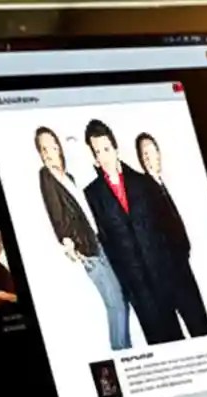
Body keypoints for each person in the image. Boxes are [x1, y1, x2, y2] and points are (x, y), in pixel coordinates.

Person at [82, 119, 183, 345]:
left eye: (106, 149)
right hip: (135, 284)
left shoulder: (142, 182)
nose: (104, 156)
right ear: (94, 156)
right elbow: (105, 240)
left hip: (161, 275)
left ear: (115, 148)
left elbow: (161, 229)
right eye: (98, 152)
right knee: (156, 342)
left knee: (175, 336)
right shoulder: (92, 194)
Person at [37, 126, 131, 351]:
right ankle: (121, 353)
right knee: (115, 303)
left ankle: (124, 348)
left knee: (121, 299)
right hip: (87, 249)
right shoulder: (46, 176)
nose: (50, 151)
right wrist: (67, 242)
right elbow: (56, 215)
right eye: (44, 148)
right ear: (40, 153)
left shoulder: (67, 176)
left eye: (53, 145)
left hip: (98, 242)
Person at [135, 132, 207, 337]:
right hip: (171, 275)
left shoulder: (160, 183)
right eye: (146, 154)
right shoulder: (144, 189)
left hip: (182, 270)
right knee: (194, 326)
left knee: (201, 327)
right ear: (141, 159)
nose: (151, 158)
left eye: (153, 151)